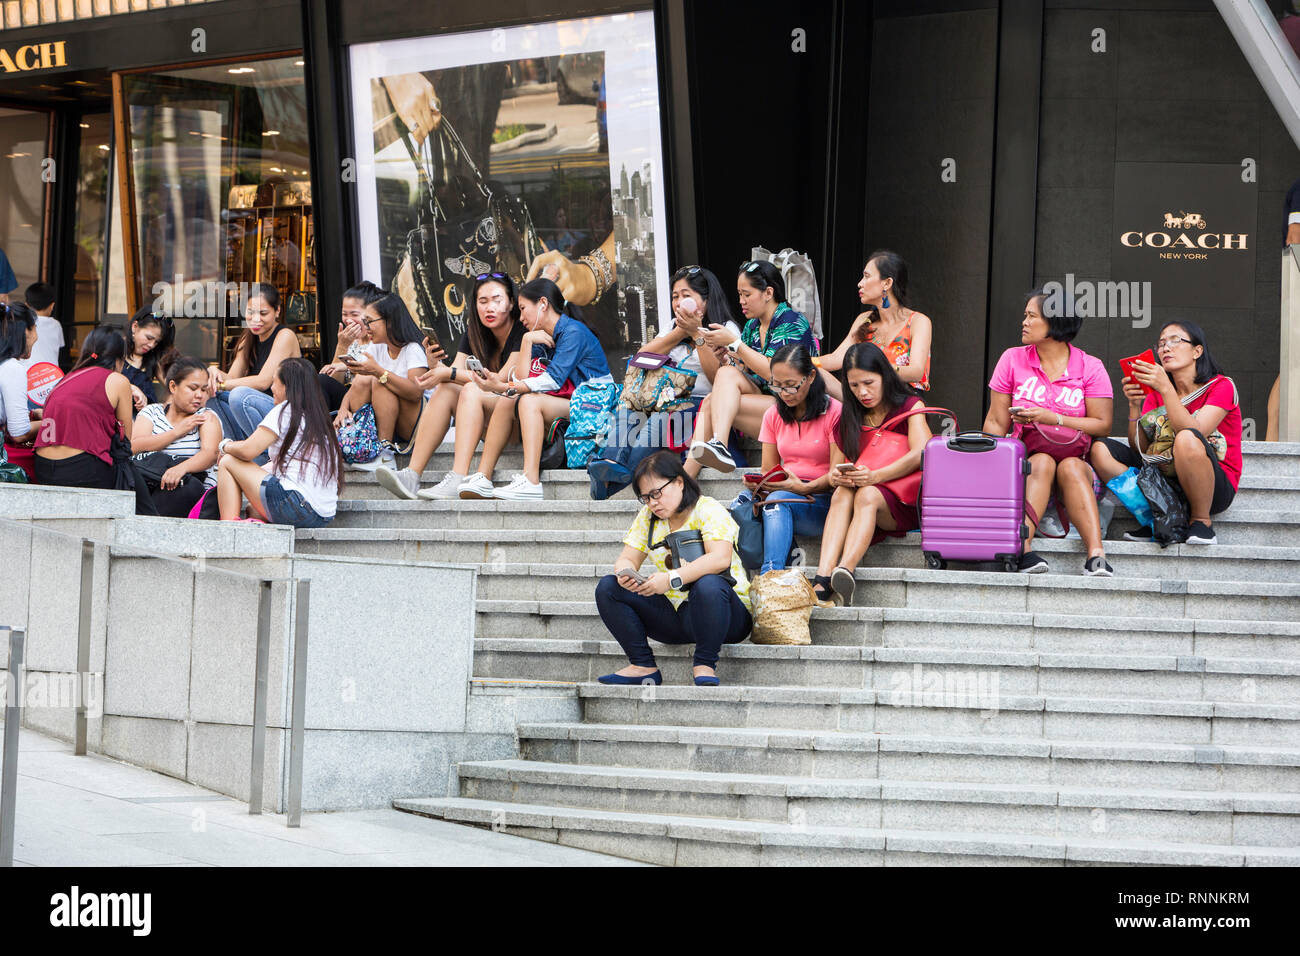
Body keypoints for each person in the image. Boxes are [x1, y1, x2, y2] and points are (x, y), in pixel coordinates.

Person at [983, 290, 1115, 576]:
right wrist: (990, 466)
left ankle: (1096, 555)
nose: (1024, 322)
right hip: (1026, 465)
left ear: (1055, 323)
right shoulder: (1013, 358)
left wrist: (1053, 417)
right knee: (1041, 461)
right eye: (1025, 315)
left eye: (1032, 316)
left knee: (1070, 467)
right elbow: (995, 420)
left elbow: (1103, 424)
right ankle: (1022, 549)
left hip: (1077, 462)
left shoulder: (1090, 367)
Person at [594, 452, 752, 686]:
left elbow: (720, 559)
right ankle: (642, 665)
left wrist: (670, 579)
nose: (653, 503)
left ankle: (704, 663)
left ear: (679, 481)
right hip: (679, 618)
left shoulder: (707, 509)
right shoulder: (648, 517)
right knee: (608, 587)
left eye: (657, 493)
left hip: (727, 615)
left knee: (709, 583)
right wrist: (626, 574)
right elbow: (626, 559)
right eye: (646, 497)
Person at [376, 272, 526, 499]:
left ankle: (458, 475)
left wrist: (450, 373)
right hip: (486, 416)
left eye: (497, 300)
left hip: (513, 420)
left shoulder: (521, 332)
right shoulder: (475, 332)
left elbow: (502, 380)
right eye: (482, 301)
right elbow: (453, 372)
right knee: (447, 389)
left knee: (468, 388)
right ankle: (412, 474)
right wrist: (436, 365)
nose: (489, 308)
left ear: (511, 302)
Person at [458, 277, 611, 500]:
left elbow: (553, 380)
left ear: (542, 304)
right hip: (570, 405)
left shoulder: (573, 332)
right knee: (509, 399)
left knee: (528, 400)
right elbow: (523, 378)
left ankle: (530, 480)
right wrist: (527, 341)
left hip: (594, 407)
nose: (520, 318)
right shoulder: (539, 336)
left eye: (522, 309)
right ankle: (483, 476)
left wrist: (501, 385)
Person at [1090, 321, 1241, 545]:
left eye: (1175, 340)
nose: (1165, 348)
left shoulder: (1221, 386)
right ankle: (1159, 520)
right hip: (1166, 483)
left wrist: (1167, 389)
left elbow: (1195, 431)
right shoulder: (1157, 394)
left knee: (1186, 438)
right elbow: (1139, 447)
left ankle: (1200, 522)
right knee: (1100, 449)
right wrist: (1135, 405)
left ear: (1197, 351)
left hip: (1212, 486)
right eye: (1161, 344)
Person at [814, 343, 931, 606]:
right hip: (858, 502)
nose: (862, 392)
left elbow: (922, 453)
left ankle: (845, 569)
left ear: (884, 376)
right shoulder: (849, 416)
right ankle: (823, 576)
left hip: (902, 502)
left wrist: (875, 477)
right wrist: (838, 477)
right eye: (854, 386)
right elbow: (835, 468)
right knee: (843, 491)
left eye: (869, 382)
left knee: (867, 493)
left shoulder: (911, 405)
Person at [683, 260, 818, 476]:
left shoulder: (791, 321)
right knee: (719, 385)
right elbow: (744, 370)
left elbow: (775, 373)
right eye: (739, 294)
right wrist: (727, 358)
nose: (741, 301)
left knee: (712, 399)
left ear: (768, 293)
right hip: (770, 407)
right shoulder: (752, 327)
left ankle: (699, 464)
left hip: (797, 408)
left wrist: (736, 344)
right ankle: (689, 473)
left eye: (747, 294)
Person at [216, 357, 343, 527]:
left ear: (287, 386)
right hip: (320, 517)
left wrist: (225, 445)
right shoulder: (319, 420)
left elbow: (248, 450)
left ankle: (228, 528)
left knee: (228, 461)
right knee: (252, 510)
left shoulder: (286, 410)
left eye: (275, 382)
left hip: (295, 504)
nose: (271, 388)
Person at [747, 345, 839, 574]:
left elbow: (838, 476)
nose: (784, 393)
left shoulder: (834, 412)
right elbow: (769, 469)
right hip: (785, 494)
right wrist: (760, 482)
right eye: (777, 385)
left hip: (821, 501)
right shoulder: (773, 415)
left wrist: (801, 487)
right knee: (744, 501)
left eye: (791, 385)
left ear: (811, 377)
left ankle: (770, 575)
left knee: (777, 500)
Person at [334, 292, 430, 471]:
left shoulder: (412, 349)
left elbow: (416, 392)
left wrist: (379, 372)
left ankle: (385, 454)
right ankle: (362, 446)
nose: (366, 327)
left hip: (415, 424)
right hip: (389, 417)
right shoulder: (376, 347)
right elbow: (359, 383)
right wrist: (343, 409)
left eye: (369, 321)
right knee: (364, 380)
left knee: (379, 380)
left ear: (389, 321)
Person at [816, 251, 932, 397]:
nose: (860, 283)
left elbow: (916, 371)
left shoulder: (918, 321)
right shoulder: (863, 319)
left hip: (902, 403)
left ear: (887, 283)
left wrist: (872, 370)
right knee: (814, 372)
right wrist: (802, 361)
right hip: (864, 399)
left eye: (867, 276)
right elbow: (836, 359)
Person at [34, 325, 134, 489]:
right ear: (119, 358)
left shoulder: (65, 379)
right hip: (83, 470)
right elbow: (126, 439)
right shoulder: (117, 379)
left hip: (43, 468)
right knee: (129, 473)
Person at [207, 283, 301, 442]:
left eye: (263, 313)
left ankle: (262, 451)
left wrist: (221, 385)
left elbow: (263, 382)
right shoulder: (248, 337)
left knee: (239, 396)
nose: (256, 319)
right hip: (259, 410)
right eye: (250, 312)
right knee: (210, 393)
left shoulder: (285, 335)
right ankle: (237, 446)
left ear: (277, 311)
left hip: (285, 411)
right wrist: (213, 373)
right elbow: (232, 379)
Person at [130, 356, 222, 517]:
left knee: (185, 488)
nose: (199, 395)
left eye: (203, 389)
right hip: (150, 481)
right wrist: (177, 432)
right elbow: (135, 446)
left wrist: (181, 469)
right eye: (193, 388)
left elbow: (210, 454)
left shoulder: (206, 416)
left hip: (185, 487)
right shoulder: (152, 412)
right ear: (173, 386)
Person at [318, 280, 388, 413]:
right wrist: (342, 345)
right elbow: (333, 381)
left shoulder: (379, 340)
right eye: (344, 314)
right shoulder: (350, 340)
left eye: (355, 314)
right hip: (345, 400)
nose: (348, 320)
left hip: (369, 400)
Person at [121, 307, 176, 410]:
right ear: (135, 326)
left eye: (156, 342)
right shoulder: (114, 350)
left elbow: (176, 386)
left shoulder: (154, 359)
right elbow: (101, 381)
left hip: (145, 421)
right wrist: (131, 388)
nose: (151, 345)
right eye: (149, 338)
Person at [1, 303, 39, 448]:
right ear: (26, 331)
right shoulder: (12, 367)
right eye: (35, 327)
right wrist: (53, 421)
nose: (37, 335)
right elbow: (19, 433)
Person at [22, 282, 65, 369]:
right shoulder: (56, 325)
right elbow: (60, 347)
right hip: (53, 376)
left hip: (28, 375)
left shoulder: (21, 323)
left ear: (26, 304)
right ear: (52, 306)